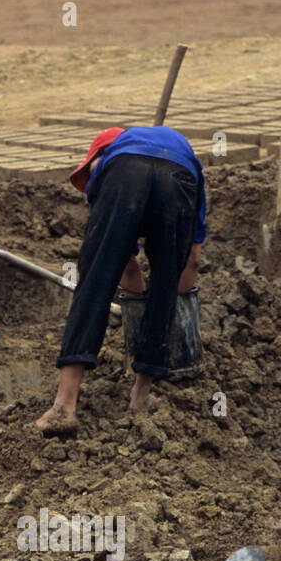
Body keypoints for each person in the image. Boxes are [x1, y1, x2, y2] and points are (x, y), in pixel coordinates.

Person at [36, 125, 206, 433]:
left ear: (103, 154)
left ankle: (64, 406)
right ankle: (140, 397)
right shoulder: (186, 157)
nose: (89, 182)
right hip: (179, 178)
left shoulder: (112, 159)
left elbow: (126, 268)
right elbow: (192, 261)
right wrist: (167, 315)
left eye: (89, 171)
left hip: (125, 174)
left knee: (94, 282)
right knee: (165, 284)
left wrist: (131, 309)